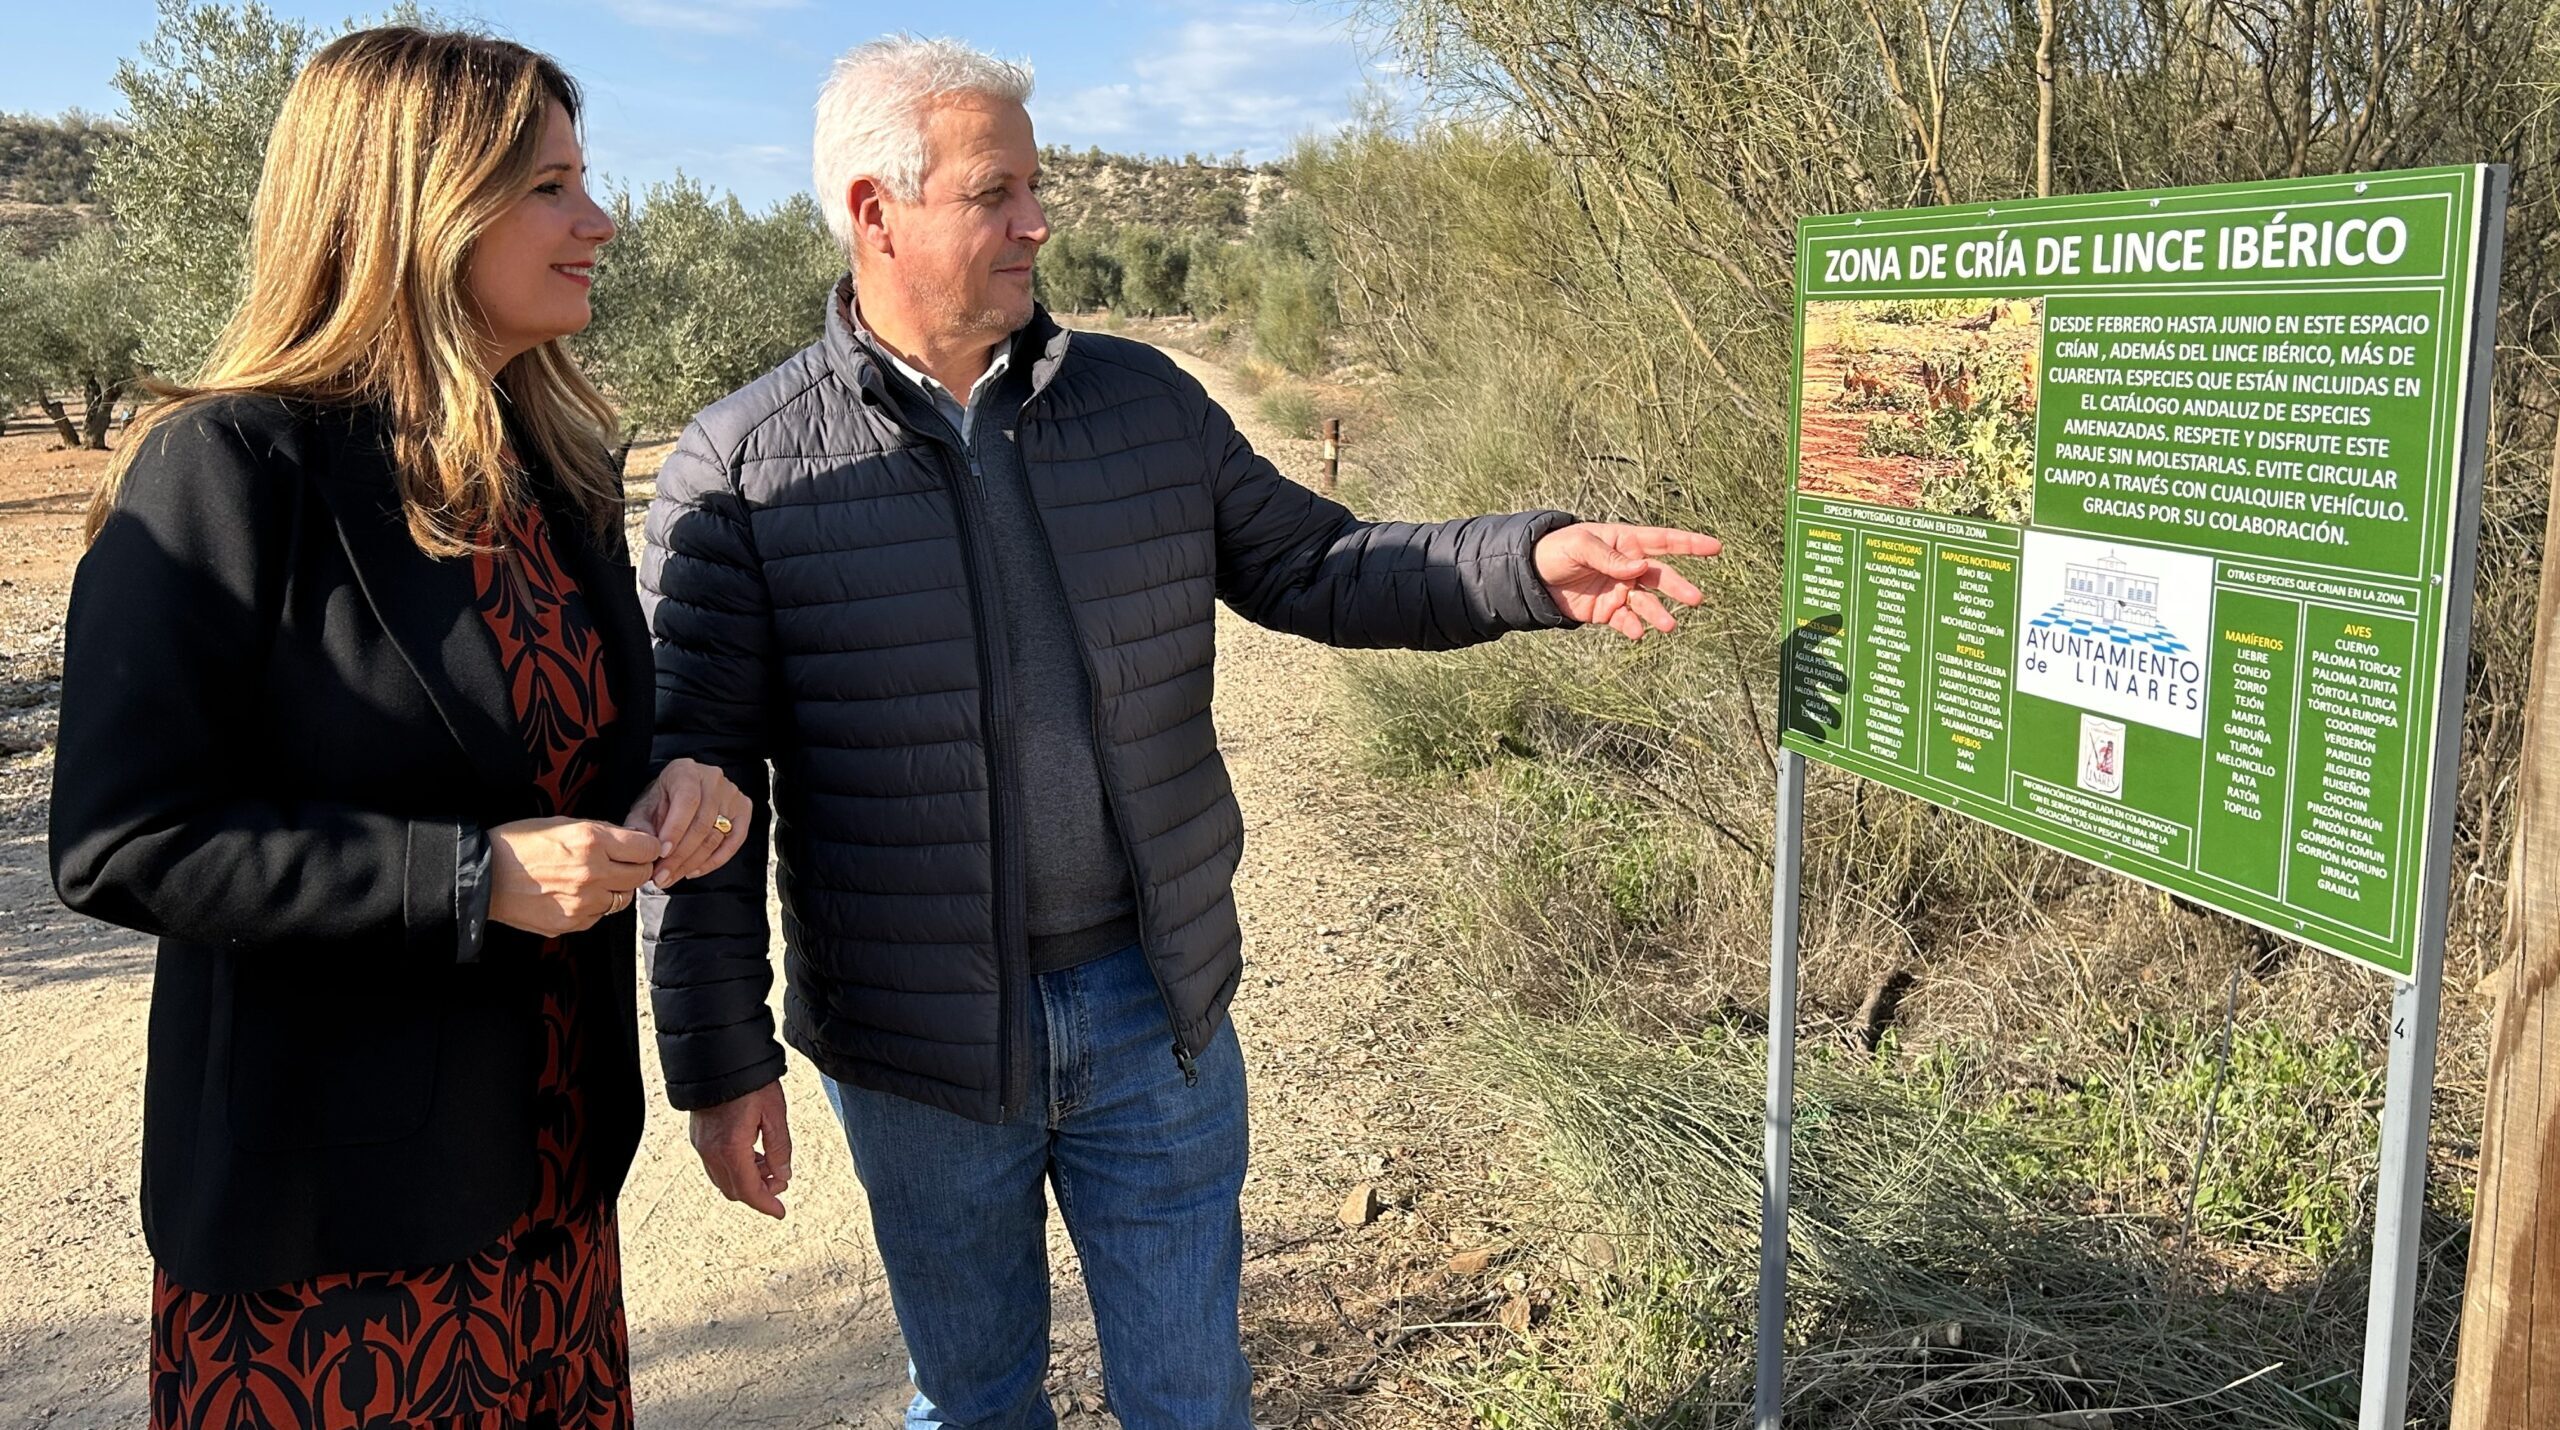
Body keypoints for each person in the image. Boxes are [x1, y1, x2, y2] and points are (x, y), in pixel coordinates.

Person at [640, 34, 1720, 1430]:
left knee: (1193, 1396)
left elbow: (1319, 564)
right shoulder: (743, 467)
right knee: (972, 1403)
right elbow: (701, 788)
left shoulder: (1142, 404)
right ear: (873, 211)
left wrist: (1529, 565)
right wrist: (721, 1061)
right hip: (919, 1052)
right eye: (998, 192)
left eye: (1036, 186)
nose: (1040, 220)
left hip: (1156, 1011)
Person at [47, 28, 753, 1430]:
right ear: (423, 208)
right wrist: (472, 879)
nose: (597, 220)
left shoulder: (552, 469)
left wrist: (674, 785)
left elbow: (563, 758)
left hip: (547, 1208)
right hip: (332, 1253)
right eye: (552, 185)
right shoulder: (229, 468)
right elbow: (122, 840)